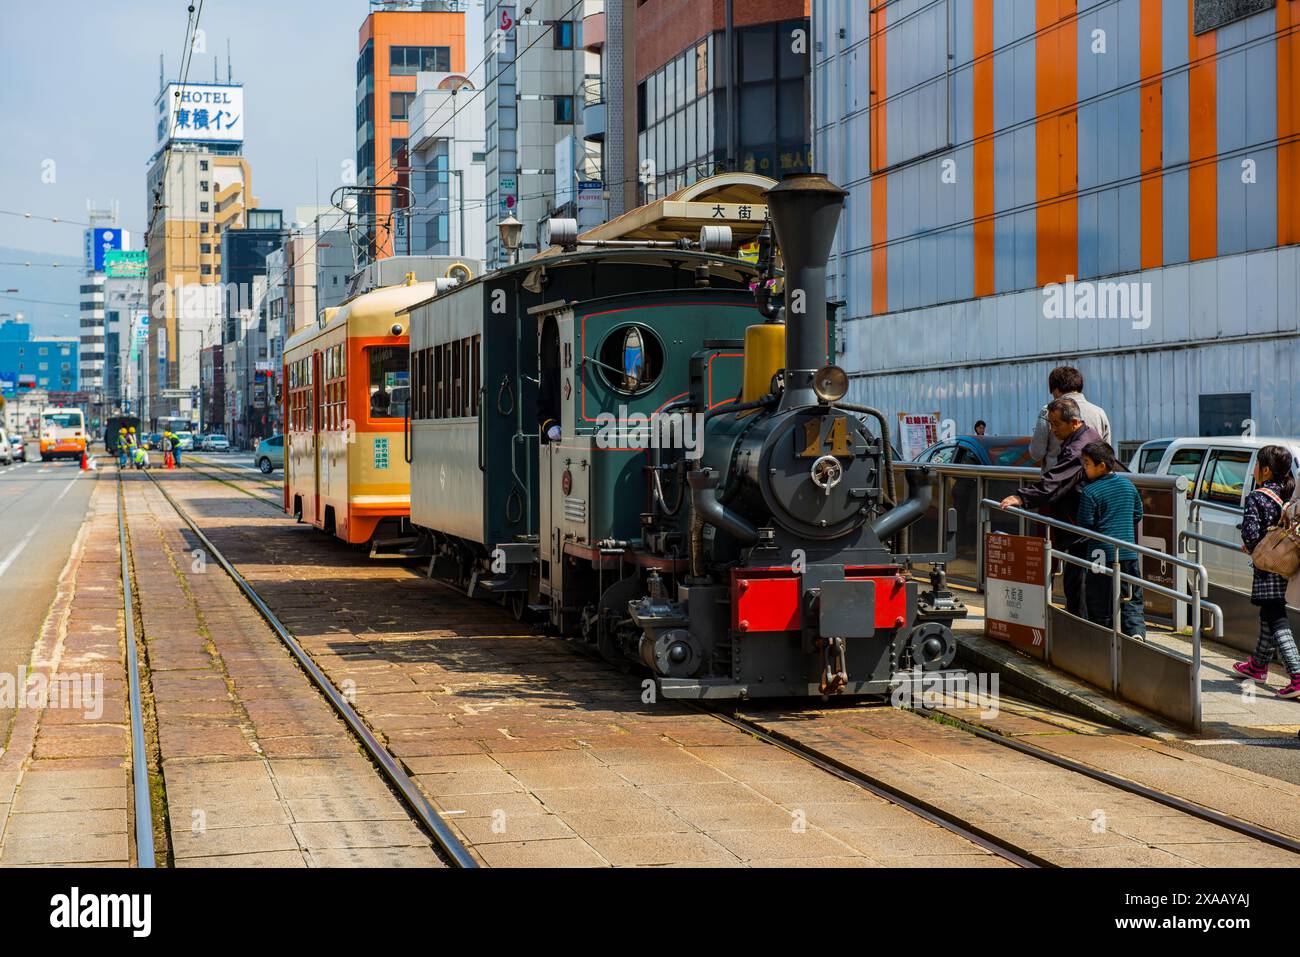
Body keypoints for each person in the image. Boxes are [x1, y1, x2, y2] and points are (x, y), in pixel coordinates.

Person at [1000, 397, 1102, 617]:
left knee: (1079, 581)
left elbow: (1055, 480)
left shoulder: (1077, 448)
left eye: (1056, 424)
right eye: (1051, 423)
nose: (1052, 429)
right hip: (1085, 521)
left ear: (1074, 422)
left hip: (1083, 523)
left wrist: (1021, 497)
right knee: (1081, 579)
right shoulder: (1087, 434)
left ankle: (1080, 631)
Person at [1231, 445, 1300, 699]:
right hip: (1287, 565)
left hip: (1268, 567)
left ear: (1266, 470)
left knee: (1275, 616)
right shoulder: (1288, 495)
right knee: (1268, 614)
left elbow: (1250, 535)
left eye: (1257, 465)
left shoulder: (1257, 497)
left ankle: (1297, 674)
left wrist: (1251, 548)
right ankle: (1258, 665)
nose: (1254, 470)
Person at [1077, 441, 1146, 637]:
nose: (1084, 467)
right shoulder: (1127, 484)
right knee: (1131, 596)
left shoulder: (1090, 492)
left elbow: (1085, 524)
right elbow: (1137, 514)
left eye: (1087, 463)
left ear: (1101, 465)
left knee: (1100, 598)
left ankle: (1104, 635)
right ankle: (1135, 632)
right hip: (1128, 553)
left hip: (1100, 553)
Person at [1028, 366, 1111, 471]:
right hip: (1091, 482)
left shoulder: (1049, 411)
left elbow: (1037, 453)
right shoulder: (1099, 413)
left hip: (1058, 480)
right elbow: (1107, 453)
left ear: (1056, 390)